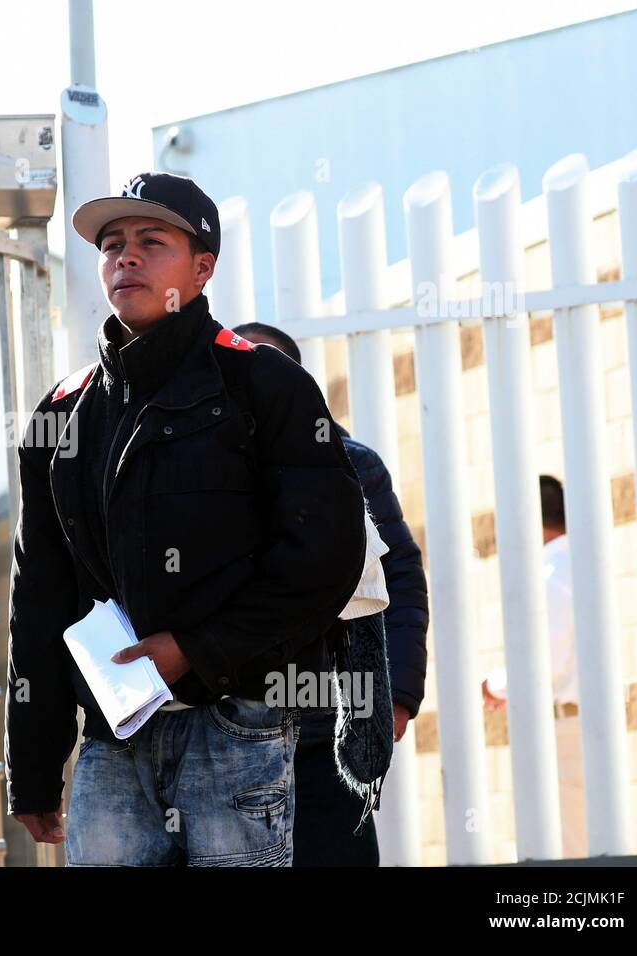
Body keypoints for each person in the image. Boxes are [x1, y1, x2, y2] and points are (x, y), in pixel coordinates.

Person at [5, 172, 367, 866]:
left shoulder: (266, 386)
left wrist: (196, 650)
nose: (125, 257)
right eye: (112, 244)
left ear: (202, 268)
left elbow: (322, 560)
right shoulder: (60, 413)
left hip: (240, 725)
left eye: (151, 241)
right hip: (109, 736)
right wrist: (33, 761)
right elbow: (40, 594)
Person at [234, 321, 430, 866]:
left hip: (323, 732)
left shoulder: (352, 463)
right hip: (223, 736)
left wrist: (396, 697)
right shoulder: (200, 471)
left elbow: (398, 582)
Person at [482, 474, 583, 857]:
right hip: (577, 724)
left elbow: (545, 663)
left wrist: (494, 685)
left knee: (569, 845)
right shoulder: (578, 565)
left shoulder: (553, 575)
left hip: (564, 727)